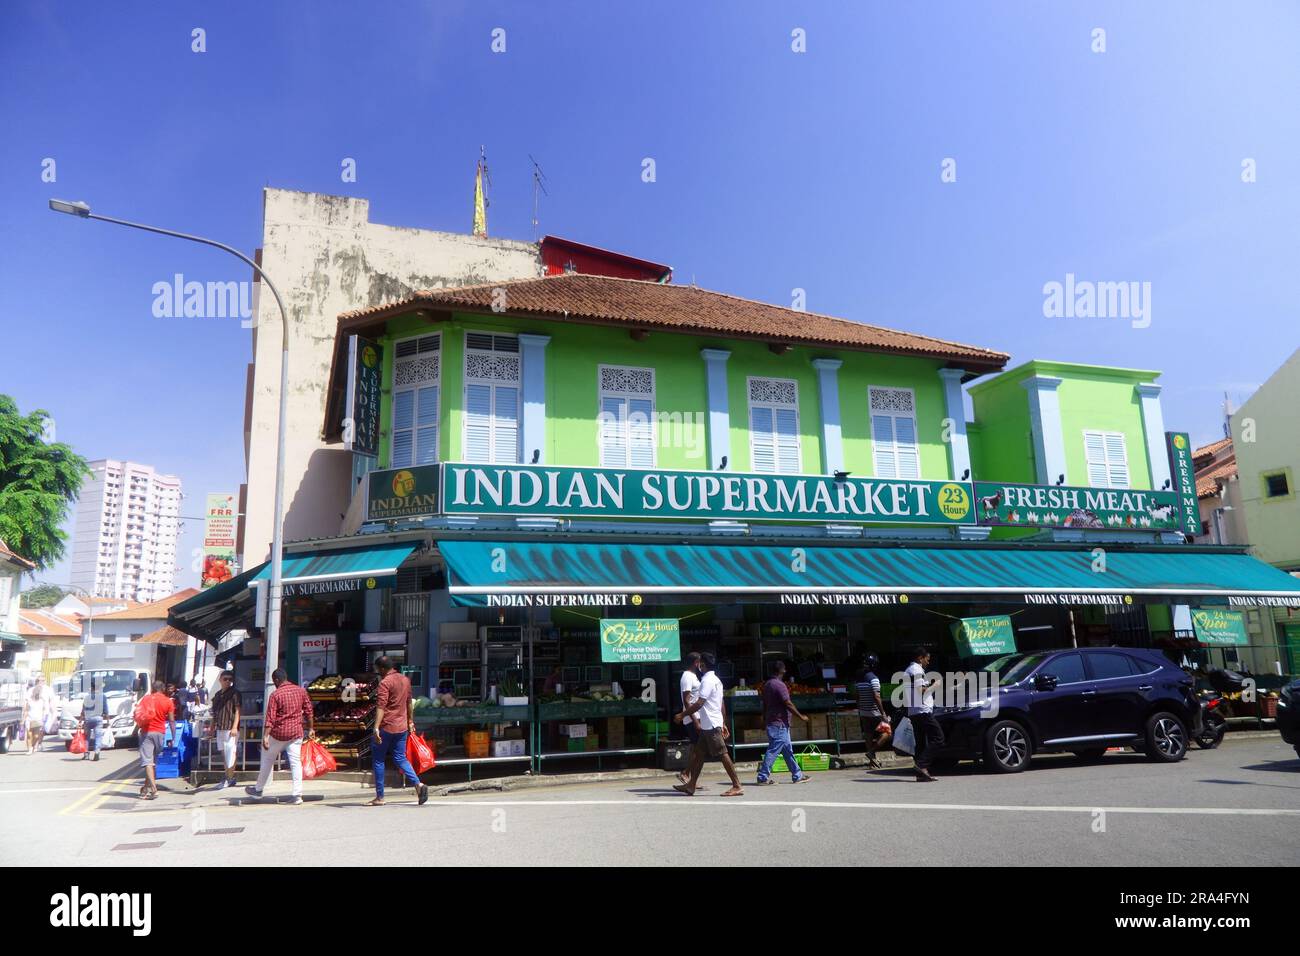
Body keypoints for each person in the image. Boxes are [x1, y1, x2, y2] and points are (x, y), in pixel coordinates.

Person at [672, 653, 743, 797]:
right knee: (699, 754)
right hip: (709, 724)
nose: (699, 666)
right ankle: (691, 785)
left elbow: (699, 703)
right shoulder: (716, 680)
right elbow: (721, 704)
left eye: (701, 664)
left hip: (710, 724)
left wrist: (682, 715)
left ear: (702, 664)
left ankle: (737, 785)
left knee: (723, 754)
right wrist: (723, 722)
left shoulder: (707, 680)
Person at [246, 669, 314, 805]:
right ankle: (297, 795)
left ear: (277, 680)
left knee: (267, 760)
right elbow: (309, 711)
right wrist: (311, 728)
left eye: (274, 681)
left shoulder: (276, 695)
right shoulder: (301, 691)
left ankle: (258, 790)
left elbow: (270, 718)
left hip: (279, 734)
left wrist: (265, 736)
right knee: (296, 763)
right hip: (296, 733)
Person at [369, 656, 428, 806]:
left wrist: (376, 727)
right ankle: (418, 785)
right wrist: (410, 721)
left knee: (378, 760)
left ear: (382, 669)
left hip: (386, 726)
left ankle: (380, 797)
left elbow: (381, 706)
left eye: (377, 669)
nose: (377, 672)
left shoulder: (385, 683)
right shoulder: (405, 680)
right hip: (402, 727)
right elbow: (409, 703)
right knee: (400, 758)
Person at [756, 660, 811, 785]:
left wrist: (764, 719)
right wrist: (801, 716)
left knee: (787, 751)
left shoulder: (767, 685)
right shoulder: (780, 685)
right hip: (779, 723)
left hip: (774, 722)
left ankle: (797, 775)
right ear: (783, 670)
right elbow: (788, 703)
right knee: (773, 750)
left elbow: (764, 704)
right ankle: (762, 777)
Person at [904, 646, 944, 783]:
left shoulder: (910, 670)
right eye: (927, 659)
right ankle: (921, 765)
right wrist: (935, 686)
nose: (928, 662)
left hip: (915, 711)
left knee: (920, 742)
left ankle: (921, 774)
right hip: (922, 711)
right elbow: (921, 691)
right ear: (920, 658)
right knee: (938, 738)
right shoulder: (916, 670)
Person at [136, 680, 178, 800]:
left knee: (148, 762)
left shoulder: (146, 699)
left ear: (153, 689)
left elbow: (138, 713)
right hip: (160, 733)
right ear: (163, 689)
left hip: (147, 732)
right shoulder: (168, 701)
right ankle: (145, 788)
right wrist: (173, 737)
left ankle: (154, 790)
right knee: (152, 762)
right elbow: (171, 721)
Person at [208, 670, 242, 790]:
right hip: (220, 727)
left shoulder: (235, 693)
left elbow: (238, 710)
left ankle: (229, 777)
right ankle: (228, 776)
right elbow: (214, 713)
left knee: (231, 753)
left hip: (230, 727)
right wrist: (212, 728)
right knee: (224, 753)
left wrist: (234, 726)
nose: (228, 681)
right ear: (220, 680)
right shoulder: (217, 695)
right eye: (225, 679)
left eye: (230, 679)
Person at [856, 655, 891, 768]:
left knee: (869, 735)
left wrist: (860, 708)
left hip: (863, 712)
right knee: (887, 732)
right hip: (874, 712)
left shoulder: (859, 679)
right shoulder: (874, 679)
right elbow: (877, 697)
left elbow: (857, 696)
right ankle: (871, 752)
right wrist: (883, 713)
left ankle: (872, 762)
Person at [675, 652, 703, 784]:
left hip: (696, 716)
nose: (701, 665)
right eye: (699, 662)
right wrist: (695, 721)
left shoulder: (693, 676)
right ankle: (686, 773)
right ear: (695, 663)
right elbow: (687, 701)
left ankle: (691, 778)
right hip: (692, 718)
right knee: (699, 748)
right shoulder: (687, 677)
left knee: (696, 747)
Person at [78, 676, 110, 762]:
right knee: (98, 736)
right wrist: (107, 721)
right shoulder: (103, 696)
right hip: (98, 719)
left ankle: (86, 754)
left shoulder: (87, 697)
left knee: (86, 737)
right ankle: (97, 752)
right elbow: (106, 710)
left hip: (88, 719)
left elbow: (83, 710)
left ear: (91, 687)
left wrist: (80, 720)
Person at [22, 675, 54, 755]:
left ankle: (38, 744)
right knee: (30, 733)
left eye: (43, 680)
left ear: (45, 681)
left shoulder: (48, 690)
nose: (41, 682)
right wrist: (24, 713)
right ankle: (31, 747)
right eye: (39, 680)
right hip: (31, 714)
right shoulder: (31, 690)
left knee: (40, 732)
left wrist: (52, 711)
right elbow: (26, 701)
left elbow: (51, 701)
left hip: (43, 714)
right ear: (36, 681)